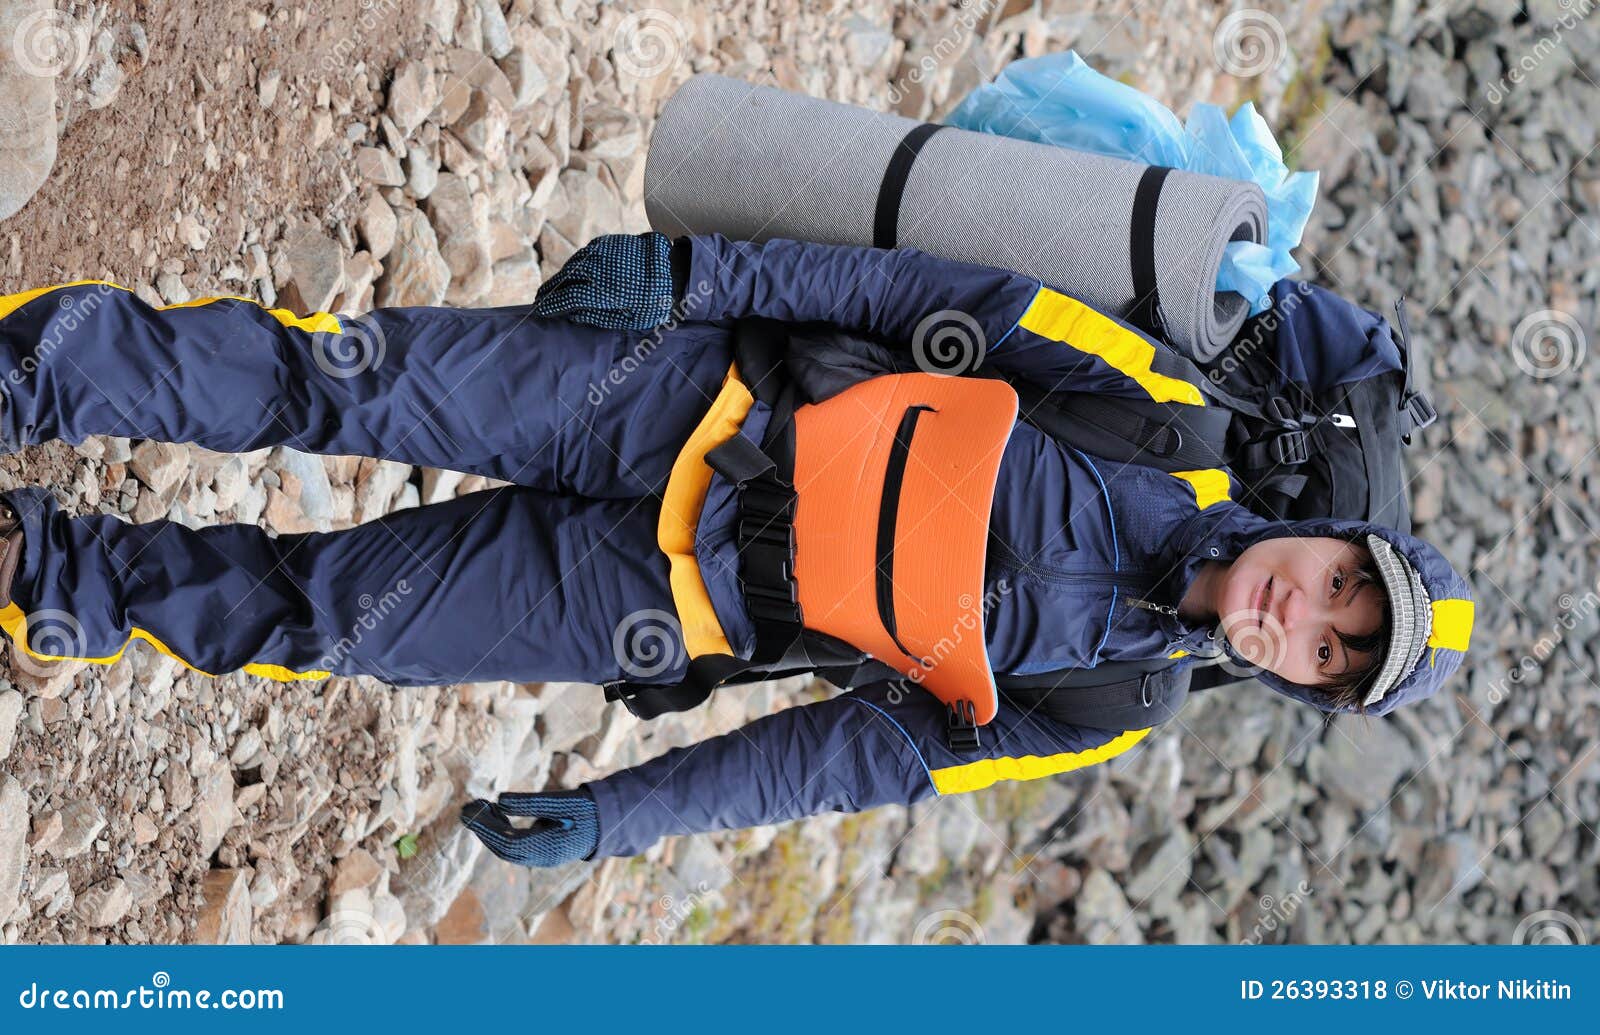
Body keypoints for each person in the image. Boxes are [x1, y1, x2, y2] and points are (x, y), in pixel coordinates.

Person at [0, 232, 1473, 868]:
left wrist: (617, 819)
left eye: (1329, 656)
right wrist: (695, 272)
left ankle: (50, 575)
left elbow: (840, 760)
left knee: (328, 623)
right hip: (679, 395)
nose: (1304, 616)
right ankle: (39, 370)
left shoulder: (1105, 703)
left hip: (655, 605)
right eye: (1347, 584)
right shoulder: (1166, 416)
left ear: (1304, 688)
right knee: (345, 381)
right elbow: (931, 296)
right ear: (1336, 532)